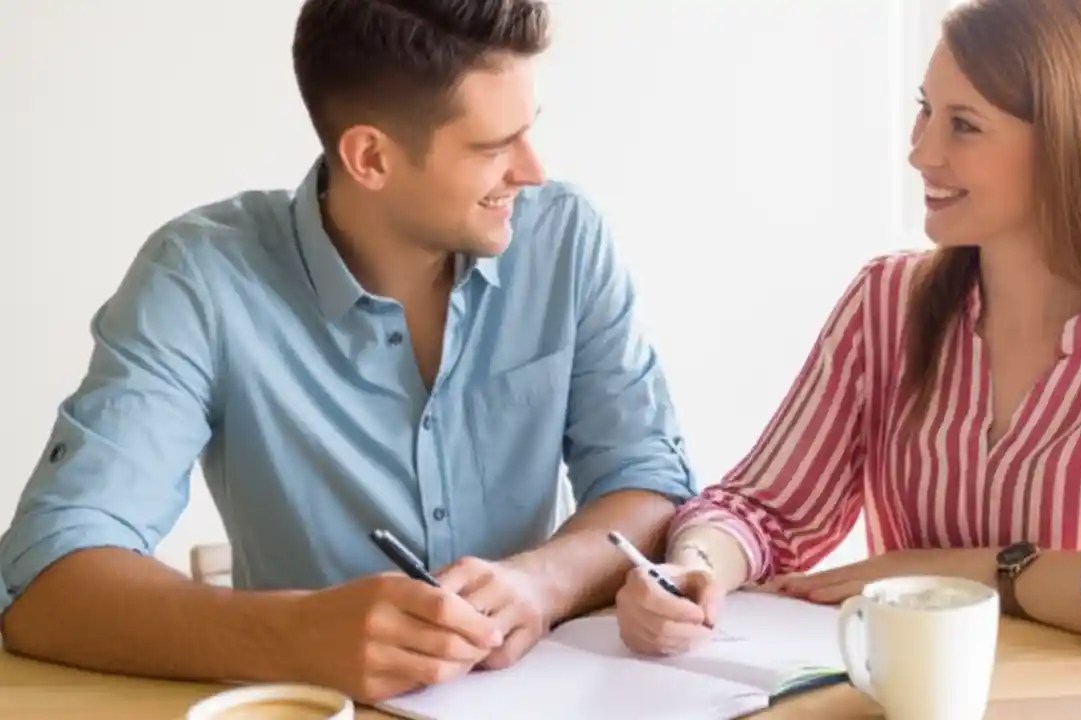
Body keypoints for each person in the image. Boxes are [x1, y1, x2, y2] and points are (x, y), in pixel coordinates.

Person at [0, 0, 697, 704]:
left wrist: (542, 582)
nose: (533, 171)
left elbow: (649, 479)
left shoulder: (563, 241)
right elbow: (44, 578)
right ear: (371, 157)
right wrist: (292, 634)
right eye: (492, 148)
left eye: (529, 133)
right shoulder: (202, 277)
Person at [616, 0, 1081, 661]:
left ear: (1073, 146)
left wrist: (986, 571)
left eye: (964, 126)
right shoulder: (886, 304)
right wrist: (697, 565)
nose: (920, 151)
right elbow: (764, 509)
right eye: (925, 109)